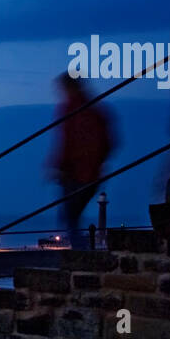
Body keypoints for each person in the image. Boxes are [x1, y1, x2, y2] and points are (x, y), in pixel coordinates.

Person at [47, 72, 114, 249]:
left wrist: (59, 166)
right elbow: (109, 142)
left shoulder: (71, 110)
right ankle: (84, 253)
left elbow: (67, 143)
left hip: (75, 174)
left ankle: (83, 256)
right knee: (71, 217)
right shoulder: (95, 110)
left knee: (69, 217)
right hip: (93, 174)